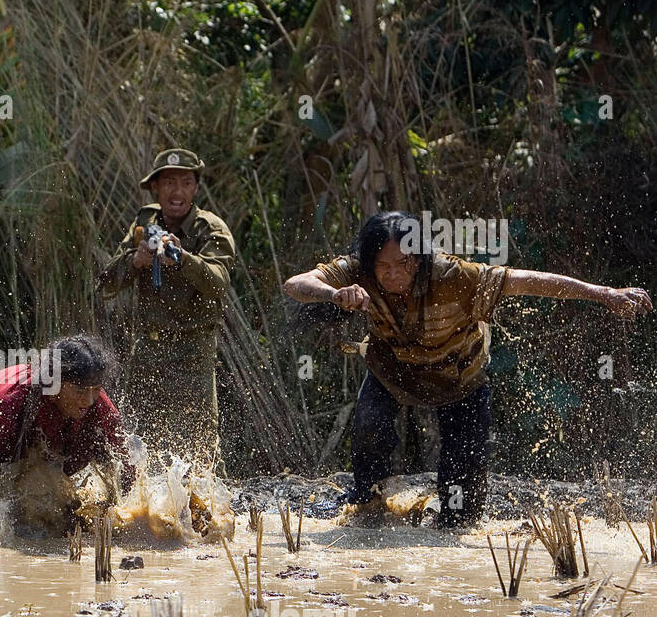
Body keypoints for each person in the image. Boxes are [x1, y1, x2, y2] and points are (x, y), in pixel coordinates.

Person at [283, 210, 652, 527]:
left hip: (459, 377)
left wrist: (604, 294)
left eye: (404, 264)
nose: (394, 274)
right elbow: (296, 284)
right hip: (392, 372)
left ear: (420, 257)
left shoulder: (453, 275)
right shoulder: (357, 272)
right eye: (384, 266)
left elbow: (527, 282)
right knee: (368, 430)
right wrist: (336, 294)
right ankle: (368, 504)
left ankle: (452, 522)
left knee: (463, 498)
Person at [99, 148, 235, 466]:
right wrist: (135, 261)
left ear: (196, 188)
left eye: (186, 182)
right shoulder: (144, 221)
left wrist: (183, 259)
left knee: (201, 444)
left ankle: (207, 509)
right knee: (134, 438)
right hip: (148, 346)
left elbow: (219, 283)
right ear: (156, 189)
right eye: (169, 183)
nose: (177, 192)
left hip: (193, 348)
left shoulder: (210, 229)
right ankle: (140, 510)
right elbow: (107, 284)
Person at [0, 334, 134, 520]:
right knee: (3, 494)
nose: (89, 400)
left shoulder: (98, 406)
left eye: (96, 390)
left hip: (39, 441)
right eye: (80, 391)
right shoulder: (12, 401)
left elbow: (126, 469)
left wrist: (127, 517)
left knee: (51, 500)